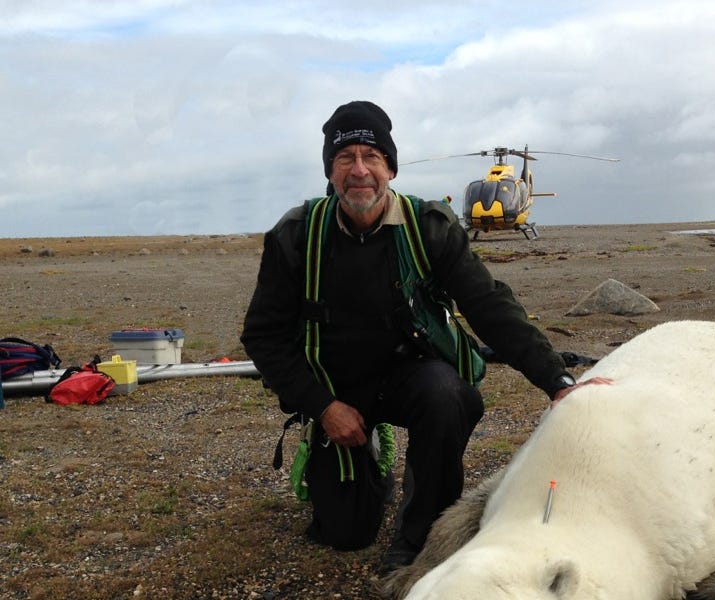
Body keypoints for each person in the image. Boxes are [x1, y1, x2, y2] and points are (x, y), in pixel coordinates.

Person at [240, 100, 585, 573]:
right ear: (330, 170)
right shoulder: (296, 235)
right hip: (336, 388)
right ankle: (365, 460)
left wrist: (557, 382)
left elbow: (489, 306)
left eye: (372, 157)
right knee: (344, 535)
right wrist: (322, 407)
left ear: (391, 168)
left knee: (447, 395)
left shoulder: (430, 228)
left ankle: (420, 537)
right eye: (346, 158)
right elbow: (263, 336)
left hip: (412, 375)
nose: (359, 170)